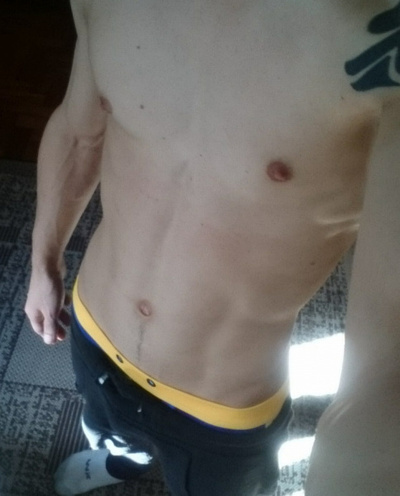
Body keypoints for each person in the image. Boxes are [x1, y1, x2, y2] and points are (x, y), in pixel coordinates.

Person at [24, 1, 400, 495]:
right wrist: (43, 260)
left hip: (222, 405)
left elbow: (388, 363)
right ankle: (122, 462)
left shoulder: (381, 36)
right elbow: (78, 134)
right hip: (95, 329)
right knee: (111, 432)